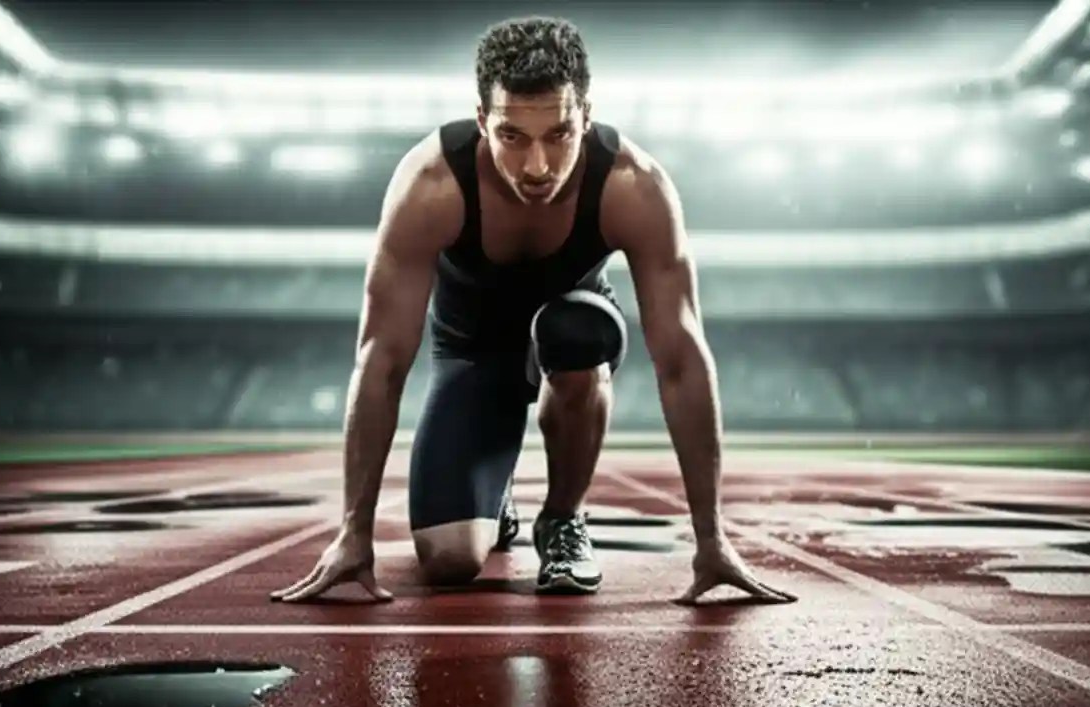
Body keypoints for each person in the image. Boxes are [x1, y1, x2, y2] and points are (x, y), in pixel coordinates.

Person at [271, 16, 796, 604]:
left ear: (586, 117)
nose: (538, 166)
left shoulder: (633, 186)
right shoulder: (431, 186)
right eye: (513, 136)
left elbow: (681, 360)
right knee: (449, 561)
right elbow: (382, 360)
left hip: (574, 341)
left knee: (576, 331)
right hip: (473, 353)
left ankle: (563, 518)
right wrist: (354, 531)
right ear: (481, 121)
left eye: (560, 134)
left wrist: (712, 537)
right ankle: (495, 498)